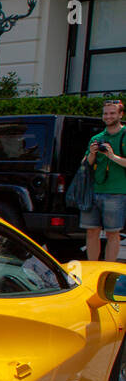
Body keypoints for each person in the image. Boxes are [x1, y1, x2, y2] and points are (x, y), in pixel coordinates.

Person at [82, 98, 126, 262]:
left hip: (116, 192)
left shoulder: (124, 135)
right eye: (105, 113)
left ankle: (109, 268)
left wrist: (112, 156)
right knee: (91, 231)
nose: (108, 116)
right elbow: (85, 164)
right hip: (94, 191)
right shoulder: (97, 137)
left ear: (120, 114)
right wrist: (92, 153)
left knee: (112, 233)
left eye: (112, 113)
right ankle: (93, 267)